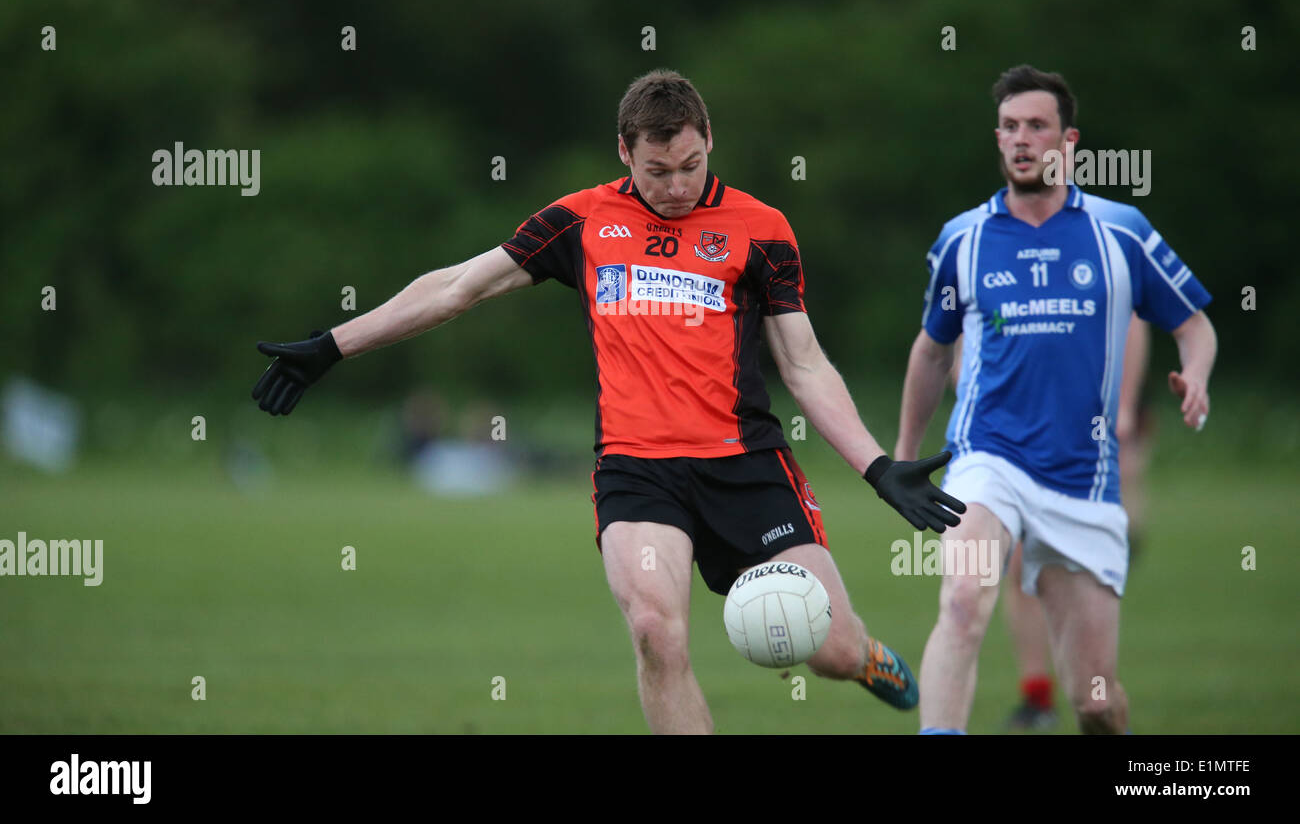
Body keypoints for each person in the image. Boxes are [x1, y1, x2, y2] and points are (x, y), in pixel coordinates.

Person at [250, 69, 966, 734]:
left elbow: (803, 364)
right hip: (637, 471)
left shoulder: (761, 229)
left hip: (746, 465)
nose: (678, 186)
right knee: (657, 631)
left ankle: (864, 652)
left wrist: (876, 467)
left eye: (691, 165)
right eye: (657, 171)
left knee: (829, 649)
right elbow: (457, 286)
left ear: (709, 139)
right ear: (624, 152)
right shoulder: (583, 221)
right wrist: (334, 345)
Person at [895, 64, 1216, 734]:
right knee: (961, 602)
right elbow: (931, 351)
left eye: (1036, 126)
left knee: (1096, 704)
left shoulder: (1119, 231)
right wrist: (902, 458)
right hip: (989, 461)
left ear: (1069, 141)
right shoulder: (965, 238)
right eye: (1010, 127)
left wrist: (1198, 375)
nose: (1022, 139)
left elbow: (1193, 324)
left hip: (1083, 480)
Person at [999, 315, 1154, 731]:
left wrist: (1124, 406)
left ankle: (1094, 698)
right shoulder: (989, 256)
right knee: (1017, 566)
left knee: (1096, 700)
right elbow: (956, 340)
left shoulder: (1102, 253)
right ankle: (1037, 697)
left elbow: (1134, 319)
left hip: (1090, 425)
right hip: (1018, 430)